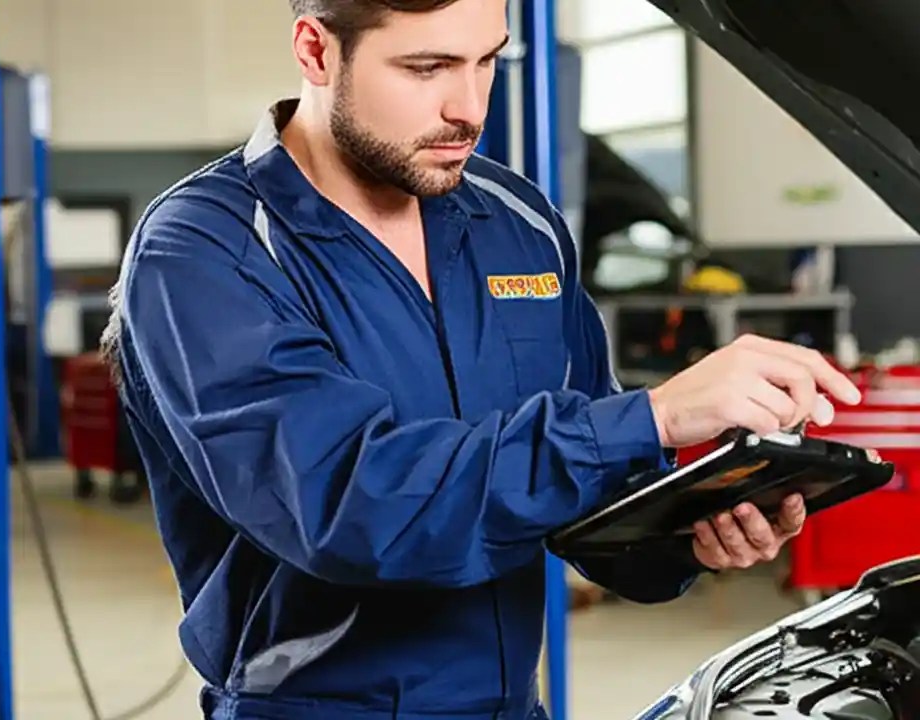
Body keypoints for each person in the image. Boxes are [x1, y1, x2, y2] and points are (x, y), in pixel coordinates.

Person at [99, 0, 864, 717]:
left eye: (487, 62)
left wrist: (689, 525)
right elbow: (349, 505)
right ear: (316, 50)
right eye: (427, 69)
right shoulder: (205, 250)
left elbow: (591, 494)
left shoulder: (518, 221)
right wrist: (653, 415)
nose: (468, 107)